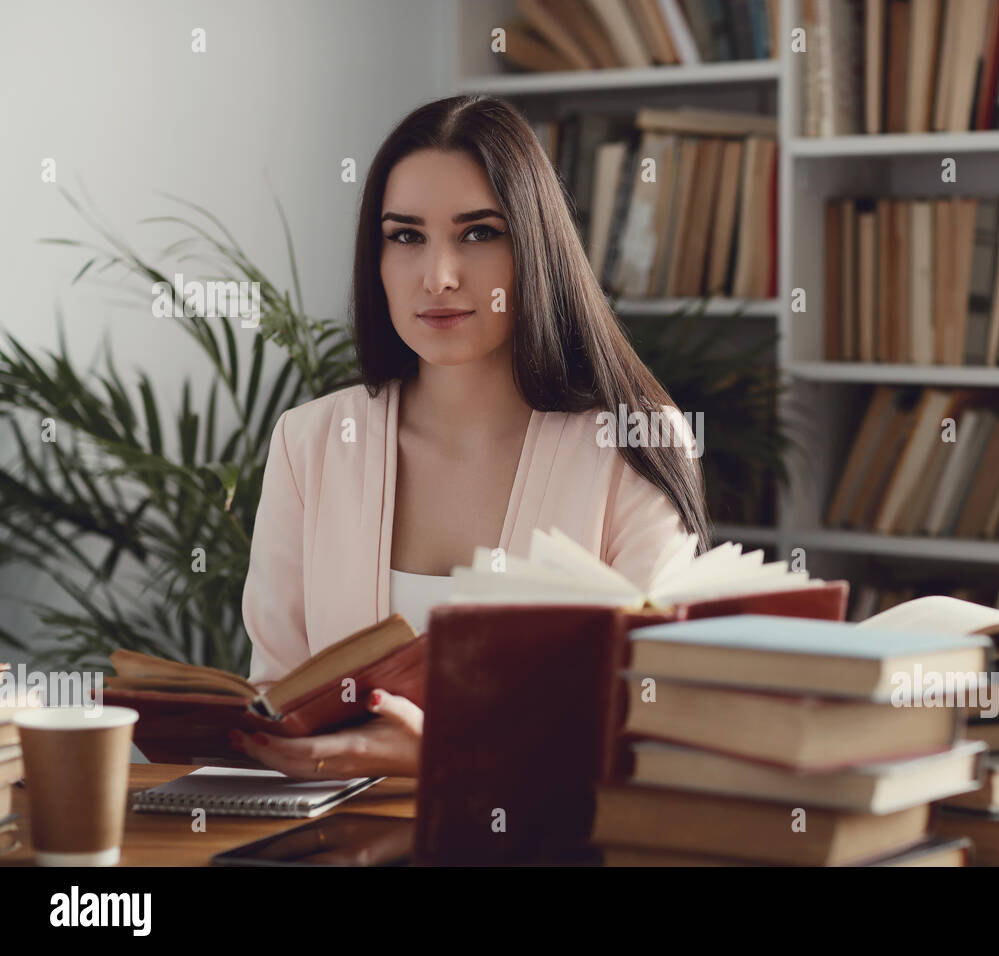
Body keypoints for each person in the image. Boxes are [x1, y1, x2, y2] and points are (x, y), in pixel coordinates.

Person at [233, 95, 708, 779]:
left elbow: (649, 720)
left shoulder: (635, 443)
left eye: (479, 233)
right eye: (406, 236)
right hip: (335, 841)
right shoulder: (310, 443)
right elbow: (275, 699)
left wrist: (449, 758)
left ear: (534, 249)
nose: (439, 277)